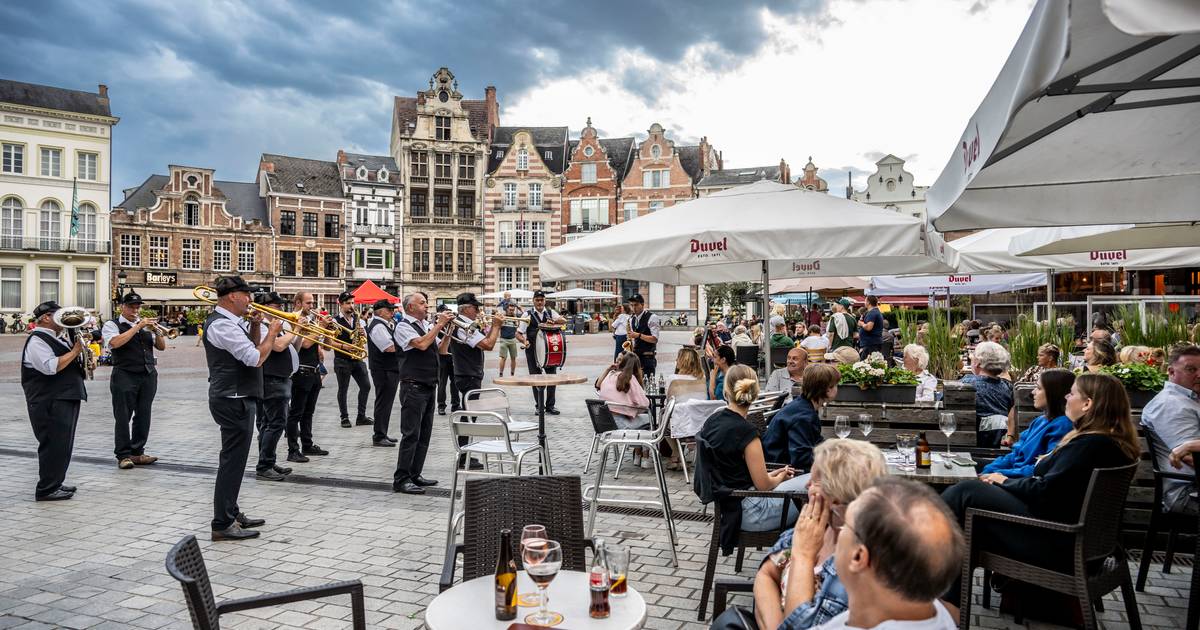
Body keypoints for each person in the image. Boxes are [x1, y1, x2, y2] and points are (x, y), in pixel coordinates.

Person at [941, 372, 1141, 608]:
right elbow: (1053, 488)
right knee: (964, 521)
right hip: (1074, 540)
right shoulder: (1110, 443)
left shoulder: (1090, 445)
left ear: (1088, 404)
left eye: (1073, 393)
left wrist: (1003, 481)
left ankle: (937, 595)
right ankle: (944, 602)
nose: (1068, 396)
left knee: (965, 492)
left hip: (1057, 546)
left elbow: (1045, 490)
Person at [714, 440, 889, 630]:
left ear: (836, 497)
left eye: (814, 481)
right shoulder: (819, 526)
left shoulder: (859, 563)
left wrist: (803, 555)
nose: (806, 485)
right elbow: (766, 573)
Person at [812, 478, 963, 629]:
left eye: (845, 525)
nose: (839, 530)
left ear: (858, 557)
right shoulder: (926, 607)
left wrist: (801, 555)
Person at [201, 276, 280, 540]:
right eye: (247, 294)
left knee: (235, 460)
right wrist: (273, 332)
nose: (250, 299)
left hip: (238, 395)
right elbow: (255, 358)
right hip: (232, 398)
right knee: (232, 462)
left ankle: (231, 512)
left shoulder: (234, 323)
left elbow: (251, 347)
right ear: (232, 296)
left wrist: (257, 327)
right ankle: (222, 522)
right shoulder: (223, 326)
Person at [698, 364, 806, 538]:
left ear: (727, 390)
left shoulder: (713, 421)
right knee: (817, 481)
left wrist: (773, 475)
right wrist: (780, 476)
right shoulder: (747, 432)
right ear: (755, 393)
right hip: (752, 512)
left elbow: (739, 472)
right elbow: (763, 486)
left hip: (731, 507)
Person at [21, 301, 88, 501]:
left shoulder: (58, 337)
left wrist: (84, 358)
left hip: (64, 397)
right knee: (53, 443)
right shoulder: (37, 340)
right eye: (58, 314)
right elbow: (50, 367)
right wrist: (75, 351)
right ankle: (46, 489)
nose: (63, 319)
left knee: (63, 443)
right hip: (49, 400)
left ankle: (55, 482)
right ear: (46, 317)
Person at [392, 292, 454, 495]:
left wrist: (447, 331)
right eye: (422, 303)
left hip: (428, 385)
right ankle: (401, 479)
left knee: (424, 434)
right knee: (411, 434)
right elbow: (421, 344)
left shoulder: (425, 326)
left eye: (426, 303)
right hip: (413, 386)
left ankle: (415, 473)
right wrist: (438, 325)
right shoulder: (402, 326)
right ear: (410, 307)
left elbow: (441, 350)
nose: (427, 306)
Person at [101, 292, 166, 470]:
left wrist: (158, 332)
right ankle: (123, 455)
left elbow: (161, 347)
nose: (135, 310)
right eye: (131, 306)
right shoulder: (112, 325)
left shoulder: (144, 326)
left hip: (148, 374)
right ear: (122, 307)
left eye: (138, 307)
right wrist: (138, 327)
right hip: (125, 374)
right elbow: (115, 343)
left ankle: (137, 452)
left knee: (144, 414)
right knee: (123, 415)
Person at [981, 369, 1076, 483]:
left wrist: (998, 475)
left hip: (1021, 483)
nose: (1033, 392)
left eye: (1039, 388)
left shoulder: (1063, 426)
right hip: (1012, 474)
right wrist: (988, 470)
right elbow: (1015, 454)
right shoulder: (1040, 420)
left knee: (965, 487)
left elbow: (1040, 468)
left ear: (1054, 393)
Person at [1140, 344, 1200, 514]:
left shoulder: (1190, 399)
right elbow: (1191, 458)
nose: (1199, 374)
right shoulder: (1171, 404)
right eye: (1191, 369)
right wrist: (1189, 447)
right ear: (1171, 372)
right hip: (1188, 493)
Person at [250, 292, 300, 481]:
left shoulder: (273, 326)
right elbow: (278, 346)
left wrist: (295, 331)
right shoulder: (262, 326)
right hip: (272, 379)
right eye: (276, 306)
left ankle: (268, 461)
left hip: (278, 378)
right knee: (275, 423)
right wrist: (293, 330)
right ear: (264, 307)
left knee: (268, 423)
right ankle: (264, 465)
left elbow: (290, 346)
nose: (280, 310)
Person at [763, 363, 840, 474]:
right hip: (780, 472)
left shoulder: (803, 405)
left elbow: (815, 442)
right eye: (836, 385)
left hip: (782, 467)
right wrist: (833, 461)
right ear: (827, 389)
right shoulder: (803, 417)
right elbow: (801, 458)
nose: (837, 388)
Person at [286, 292, 328, 462]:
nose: (312, 306)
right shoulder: (293, 319)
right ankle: (292, 450)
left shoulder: (311, 320)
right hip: (301, 372)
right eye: (309, 302)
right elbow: (304, 343)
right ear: (298, 302)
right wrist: (322, 328)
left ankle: (307, 444)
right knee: (296, 412)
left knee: (309, 412)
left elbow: (327, 346)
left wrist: (327, 331)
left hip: (315, 370)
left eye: (313, 302)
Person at [517, 290, 568, 414]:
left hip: (549, 351)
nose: (540, 302)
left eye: (542, 300)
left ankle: (550, 406)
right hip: (532, 351)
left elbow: (564, 321)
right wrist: (525, 341)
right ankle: (539, 407)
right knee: (536, 379)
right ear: (533, 301)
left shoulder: (550, 312)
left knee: (552, 379)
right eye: (537, 300)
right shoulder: (526, 315)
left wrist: (554, 321)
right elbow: (518, 333)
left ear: (545, 301)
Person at [960, 341, 1014, 447]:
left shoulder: (966, 383)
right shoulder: (1007, 387)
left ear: (978, 363)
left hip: (972, 443)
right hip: (1001, 442)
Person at [332, 292, 372, 428]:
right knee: (343, 389)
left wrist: (362, 334)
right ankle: (344, 417)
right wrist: (344, 346)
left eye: (353, 303)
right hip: (342, 359)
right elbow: (330, 342)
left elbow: (364, 339)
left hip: (357, 359)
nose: (351, 306)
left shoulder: (358, 320)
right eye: (348, 303)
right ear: (341, 304)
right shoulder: (335, 321)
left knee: (366, 386)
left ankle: (361, 416)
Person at [366, 299, 400, 447]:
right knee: (383, 402)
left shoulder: (383, 324)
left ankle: (382, 432)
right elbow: (388, 347)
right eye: (389, 310)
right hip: (384, 369)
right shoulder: (378, 326)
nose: (392, 312)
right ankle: (379, 435)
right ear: (380, 311)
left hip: (388, 369)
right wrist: (405, 346)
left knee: (386, 402)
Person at [434, 304, 461, 415]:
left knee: (455, 382)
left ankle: (455, 404)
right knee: (442, 382)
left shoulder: (453, 325)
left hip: (452, 356)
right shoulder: (435, 326)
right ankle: (441, 405)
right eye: (445, 312)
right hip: (441, 358)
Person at [626, 293, 661, 376]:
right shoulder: (632, 319)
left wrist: (638, 335)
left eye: (636, 305)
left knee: (647, 383)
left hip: (647, 357)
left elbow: (654, 339)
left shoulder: (652, 317)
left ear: (642, 305)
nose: (633, 308)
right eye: (631, 305)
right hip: (635, 357)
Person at [856, 296, 885, 361]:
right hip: (872, 343)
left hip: (871, 343)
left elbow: (869, 327)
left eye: (865, 301)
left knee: (865, 364)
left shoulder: (872, 313)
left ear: (868, 302)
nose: (864, 303)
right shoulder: (875, 312)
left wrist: (861, 323)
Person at [496, 302, 522, 377]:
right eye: (510, 309)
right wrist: (502, 319)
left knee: (513, 358)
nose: (511, 311)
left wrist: (515, 319)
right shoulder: (502, 316)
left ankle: (512, 374)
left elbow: (518, 327)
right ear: (507, 309)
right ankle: (501, 374)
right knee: (503, 358)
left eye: (513, 310)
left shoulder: (515, 317)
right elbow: (498, 326)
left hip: (512, 339)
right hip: (504, 340)